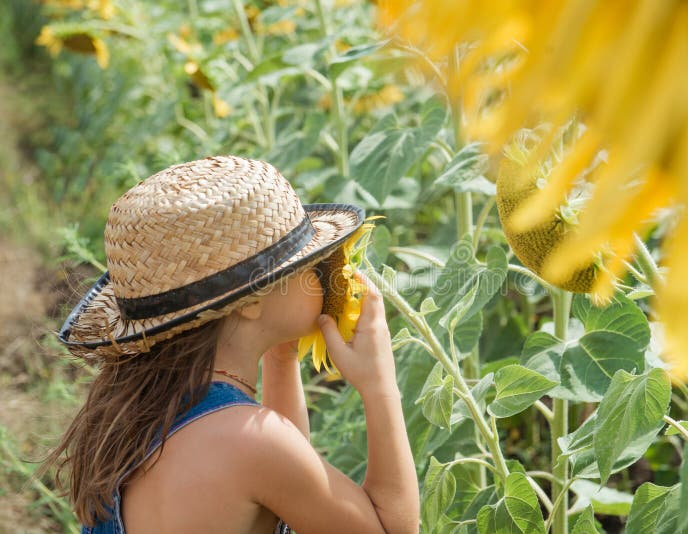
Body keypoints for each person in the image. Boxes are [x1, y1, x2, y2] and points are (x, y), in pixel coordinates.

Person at [40, 156, 420, 533]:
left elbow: (286, 497)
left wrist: (281, 354)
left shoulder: (142, 414)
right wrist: (378, 383)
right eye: (309, 264)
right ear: (251, 301)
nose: (327, 273)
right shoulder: (254, 443)